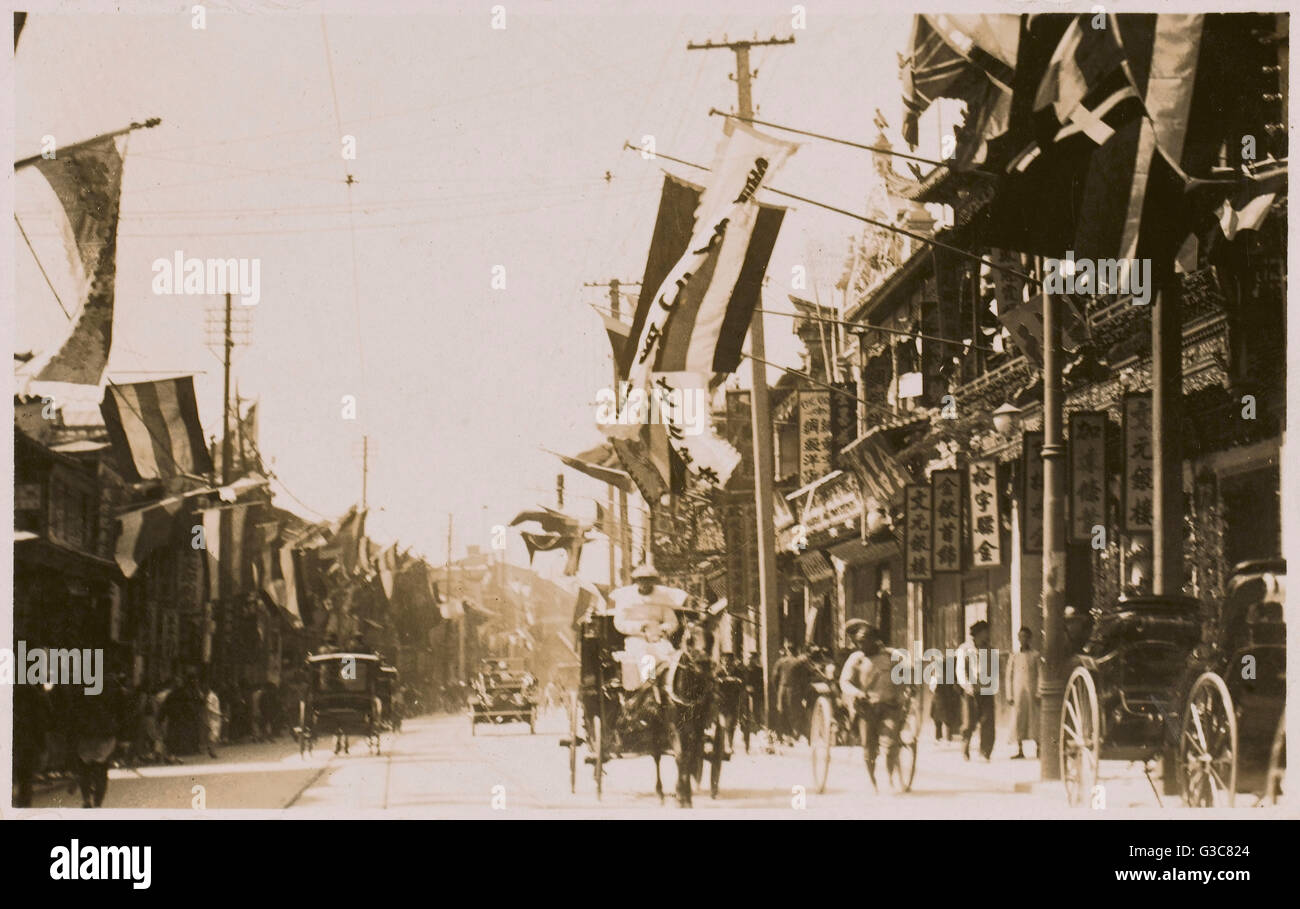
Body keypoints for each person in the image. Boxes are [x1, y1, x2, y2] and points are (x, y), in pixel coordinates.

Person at [839, 621, 902, 788]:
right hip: (867, 709)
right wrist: (857, 693)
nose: (861, 645)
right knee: (869, 748)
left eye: (864, 641)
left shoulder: (890, 656)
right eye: (858, 642)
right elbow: (844, 681)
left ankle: (890, 777)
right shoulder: (856, 659)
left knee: (890, 745)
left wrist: (906, 690)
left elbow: (904, 674)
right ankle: (873, 780)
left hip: (889, 706)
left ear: (874, 639)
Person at [610, 563, 685, 692]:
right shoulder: (627, 597)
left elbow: (672, 621)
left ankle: (666, 690)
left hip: (658, 637)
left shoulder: (661, 598)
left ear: (653, 581)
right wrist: (641, 627)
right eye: (641, 580)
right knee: (646, 655)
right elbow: (619, 623)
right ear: (637, 581)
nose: (644, 583)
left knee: (671, 656)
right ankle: (648, 689)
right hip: (636, 638)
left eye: (648, 580)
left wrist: (662, 628)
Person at [70, 680, 125, 808]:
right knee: (102, 769)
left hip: (85, 734)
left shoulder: (80, 687)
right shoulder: (111, 686)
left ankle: (86, 799)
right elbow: (121, 711)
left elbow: (73, 711)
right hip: (105, 734)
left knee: (84, 769)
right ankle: (98, 802)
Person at [956, 620, 995, 761]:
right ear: (977, 634)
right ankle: (965, 748)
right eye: (985, 632)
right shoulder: (964, 649)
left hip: (986, 689)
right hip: (970, 691)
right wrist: (967, 686)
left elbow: (993, 669)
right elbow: (960, 670)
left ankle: (985, 752)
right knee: (969, 722)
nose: (987, 635)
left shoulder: (990, 649)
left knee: (988, 721)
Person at [1007, 626, 1039, 759]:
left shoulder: (1035, 655)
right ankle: (1020, 749)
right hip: (1018, 691)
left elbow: (1040, 673)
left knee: (1035, 719)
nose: (1023, 640)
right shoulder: (1014, 655)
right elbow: (1008, 676)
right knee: (1019, 718)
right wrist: (1009, 694)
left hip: (1032, 691)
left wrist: (1039, 691)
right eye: (1020, 637)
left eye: (1025, 637)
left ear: (1030, 638)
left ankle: (1039, 748)